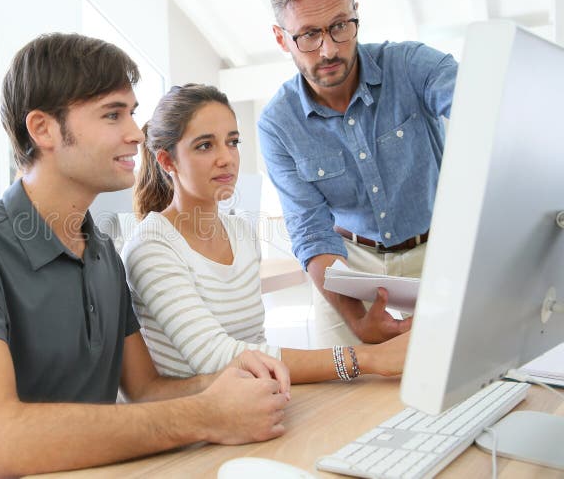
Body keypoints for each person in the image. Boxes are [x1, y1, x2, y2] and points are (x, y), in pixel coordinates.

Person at [0, 34, 292, 479]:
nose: (135, 134)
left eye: (132, 114)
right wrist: (206, 414)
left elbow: (145, 390)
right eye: (112, 114)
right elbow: (0, 445)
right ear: (43, 129)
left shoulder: (104, 252)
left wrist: (229, 382)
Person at [122, 83, 407, 383]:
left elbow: (255, 343)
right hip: (198, 417)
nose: (226, 158)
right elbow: (216, 357)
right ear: (167, 161)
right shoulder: (152, 246)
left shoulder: (241, 232)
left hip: (254, 401)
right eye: (205, 145)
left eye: (232, 142)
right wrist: (366, 358)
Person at [258, 0, 458, 347]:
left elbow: (484, 108)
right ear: (282, 38)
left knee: (456, 368)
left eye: (339, 27)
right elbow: (310, 231)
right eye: (309, 35)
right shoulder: (277, 124)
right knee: (344, 383)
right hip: (348, 261)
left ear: (356, 16)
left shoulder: (412, 65)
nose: (328, 50)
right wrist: (356, 319)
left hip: (435, 249)